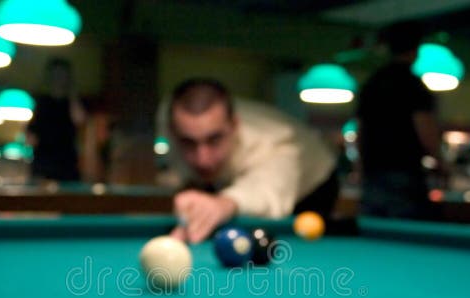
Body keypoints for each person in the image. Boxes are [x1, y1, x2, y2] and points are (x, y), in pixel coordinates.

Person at [159, 78, 340, 243]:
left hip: (314, 187)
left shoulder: (275, 142)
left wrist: (223, 204)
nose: (203, 160)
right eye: (188, 143)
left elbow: (266, 192)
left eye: (214, 140)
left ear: (234, 126)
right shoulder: (165, 116)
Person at [356, 20, 443, 220]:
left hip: (373, 175)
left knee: (374, 230)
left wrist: (361, 167)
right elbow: (425, 130)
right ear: (416, 51)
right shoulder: (414, 86)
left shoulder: (372, 84)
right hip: (405, 175)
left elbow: (361, 130)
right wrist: (440, 163)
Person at [26, 58, 86, 183]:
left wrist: (73, 94)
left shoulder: (72, 102)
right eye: (56, 74)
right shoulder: (42, 102)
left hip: (66, 163)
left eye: (63, 75)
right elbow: (30, 135)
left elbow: (80, 121)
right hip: (43, 161)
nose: (59, 79)